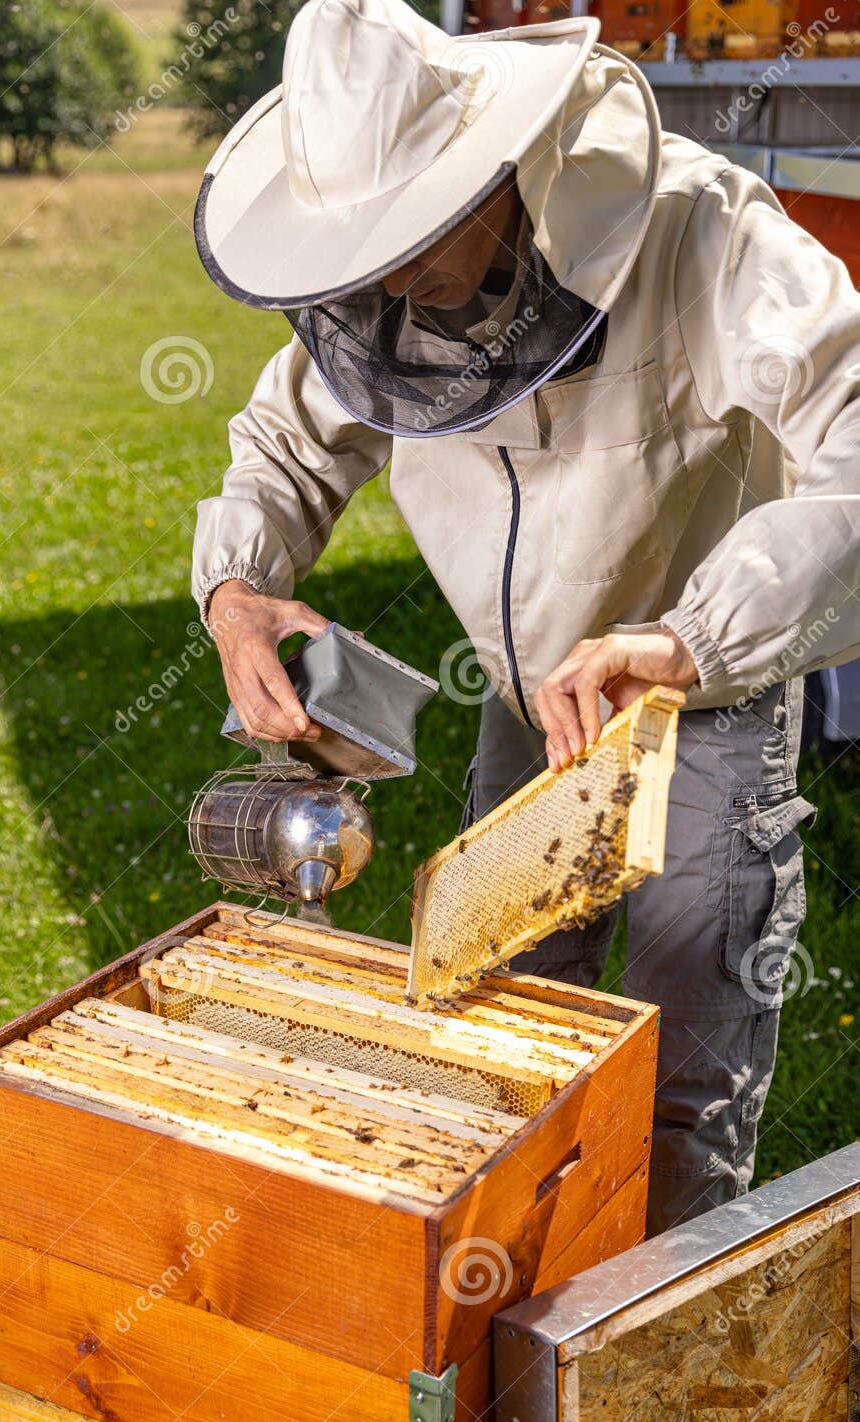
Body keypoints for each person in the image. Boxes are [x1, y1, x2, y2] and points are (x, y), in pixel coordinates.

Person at [189, 0, 860, 1233]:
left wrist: (690, 637)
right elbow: (284, 442)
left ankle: (639, 1381)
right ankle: (493, 1346)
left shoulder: (695, 230)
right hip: (522, 702)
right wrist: (235, 592)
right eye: (365, 248)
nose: (394, 277)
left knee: (674, 1081)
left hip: (693, 698)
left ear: (493, 162)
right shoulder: (368, 293)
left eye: (415, 230)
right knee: (491, 1030)